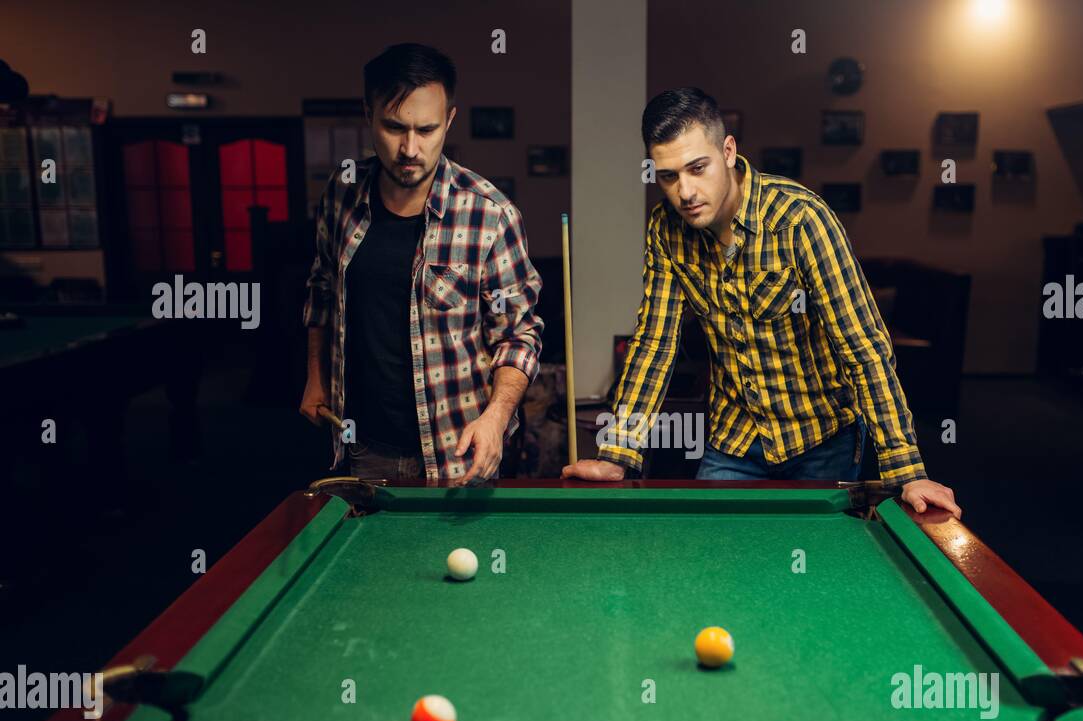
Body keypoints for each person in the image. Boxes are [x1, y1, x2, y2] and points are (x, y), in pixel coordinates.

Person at [562, 88, 959, 517]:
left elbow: (862, 346)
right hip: (734, 439)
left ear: (728, 151)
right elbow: (654, 344)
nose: (686, 192)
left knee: (820, 571)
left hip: (822, 437)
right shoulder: (666, 230)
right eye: (669, 176)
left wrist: (907, 469)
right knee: (710, 560)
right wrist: (618, 452)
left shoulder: (801, 219)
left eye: (698, 168)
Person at [301, 43, 543, 485]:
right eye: (394, 127)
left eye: (427, 130)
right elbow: (321, 288)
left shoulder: (491, 214)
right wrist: (315, 378)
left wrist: (496, 417)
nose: (410, 148)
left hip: (459, 452)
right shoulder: (342, 191)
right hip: (362, 447)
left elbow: (518, 335)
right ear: (368, 114)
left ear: (449, 120)